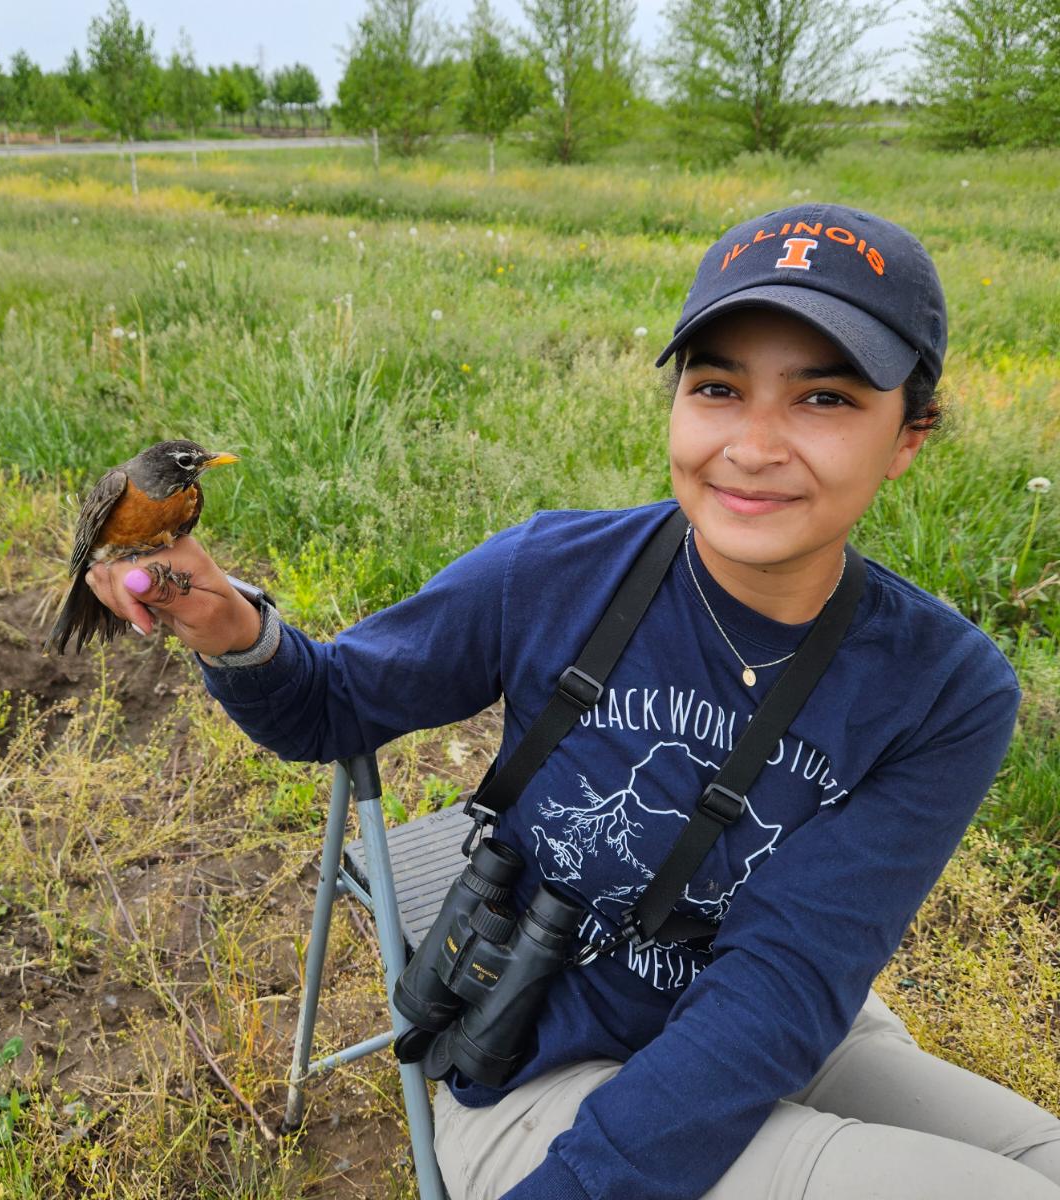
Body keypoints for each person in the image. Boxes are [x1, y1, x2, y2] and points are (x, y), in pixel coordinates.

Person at [84, 203, 1060, 1200]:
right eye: (718, 386)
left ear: (911, 433)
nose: (755, 446)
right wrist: (234, 631)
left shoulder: (942, 685)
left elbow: (786, 984)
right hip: (540, 1051)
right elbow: (331, 709)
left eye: (826, 400)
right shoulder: (554, 572)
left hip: (776, 1021)